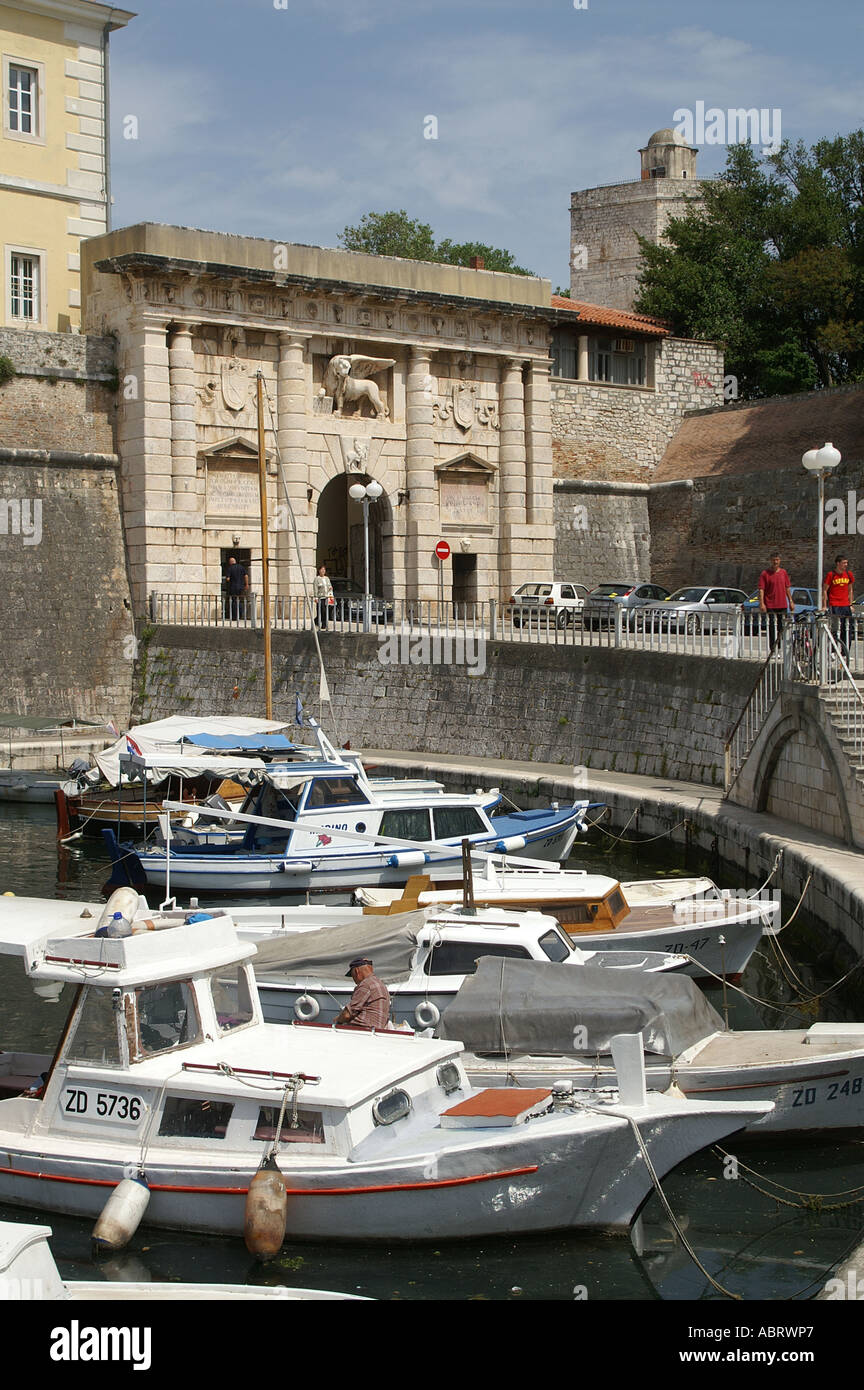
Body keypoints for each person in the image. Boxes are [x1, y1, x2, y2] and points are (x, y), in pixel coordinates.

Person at [334, 957, 391, 1030]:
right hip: (376, 1030)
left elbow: (347, 1015)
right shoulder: (381, 985)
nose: (354, 980)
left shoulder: (366, 985)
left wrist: (338, 1019)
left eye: (352, 975)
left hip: (363, 1031)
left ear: (357, 971)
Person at [822, 555, 855, 662]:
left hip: (845, 605)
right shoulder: (831, 575)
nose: (846, 565)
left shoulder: (848, 574)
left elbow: (850, 590)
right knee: (835, 628)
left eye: (846, 563)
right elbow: (825, 590)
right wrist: (824, 605)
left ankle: (844, 653)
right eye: (844, 563)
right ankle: (832, 651)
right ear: (838, 563)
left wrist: (851, 604)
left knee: (848, 629)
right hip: (835, 604)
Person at [758, 553, 794, 646]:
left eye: (777, 560)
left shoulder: (783, 573)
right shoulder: (765, 574)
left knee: (782, 627)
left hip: (782, 604)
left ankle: (781, 645)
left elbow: (787, 588)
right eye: (774, 560)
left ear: (780, 561)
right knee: (772, 628)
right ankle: (773, 648)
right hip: (770, 604)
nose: (775, 562)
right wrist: (762, 603)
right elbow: (761, 589)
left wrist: (790, 601)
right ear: (770, 560)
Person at [225, 555, 249, 620]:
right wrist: (246, 584)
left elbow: (228, 579)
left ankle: (234, 616)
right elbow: (246, 576)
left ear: (230, 562)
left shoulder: (230, 568)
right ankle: (240, 615)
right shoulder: (241, 567)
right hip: (241, 587)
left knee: (234, 601)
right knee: (240, 601)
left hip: (233, 587)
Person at [313, 563, 334, 630]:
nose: (323, 571)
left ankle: (324, 624)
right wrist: (315, 597)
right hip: (320, 597)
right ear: (319, 571)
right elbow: (315, 588)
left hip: (326, 597)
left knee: (325, 611)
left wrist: (330, 588)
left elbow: (329, 586)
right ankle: (316, 621)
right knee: (321, 611)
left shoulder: (327, 578)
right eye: (322, 569)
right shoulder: (317, 579)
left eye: (324, 569)